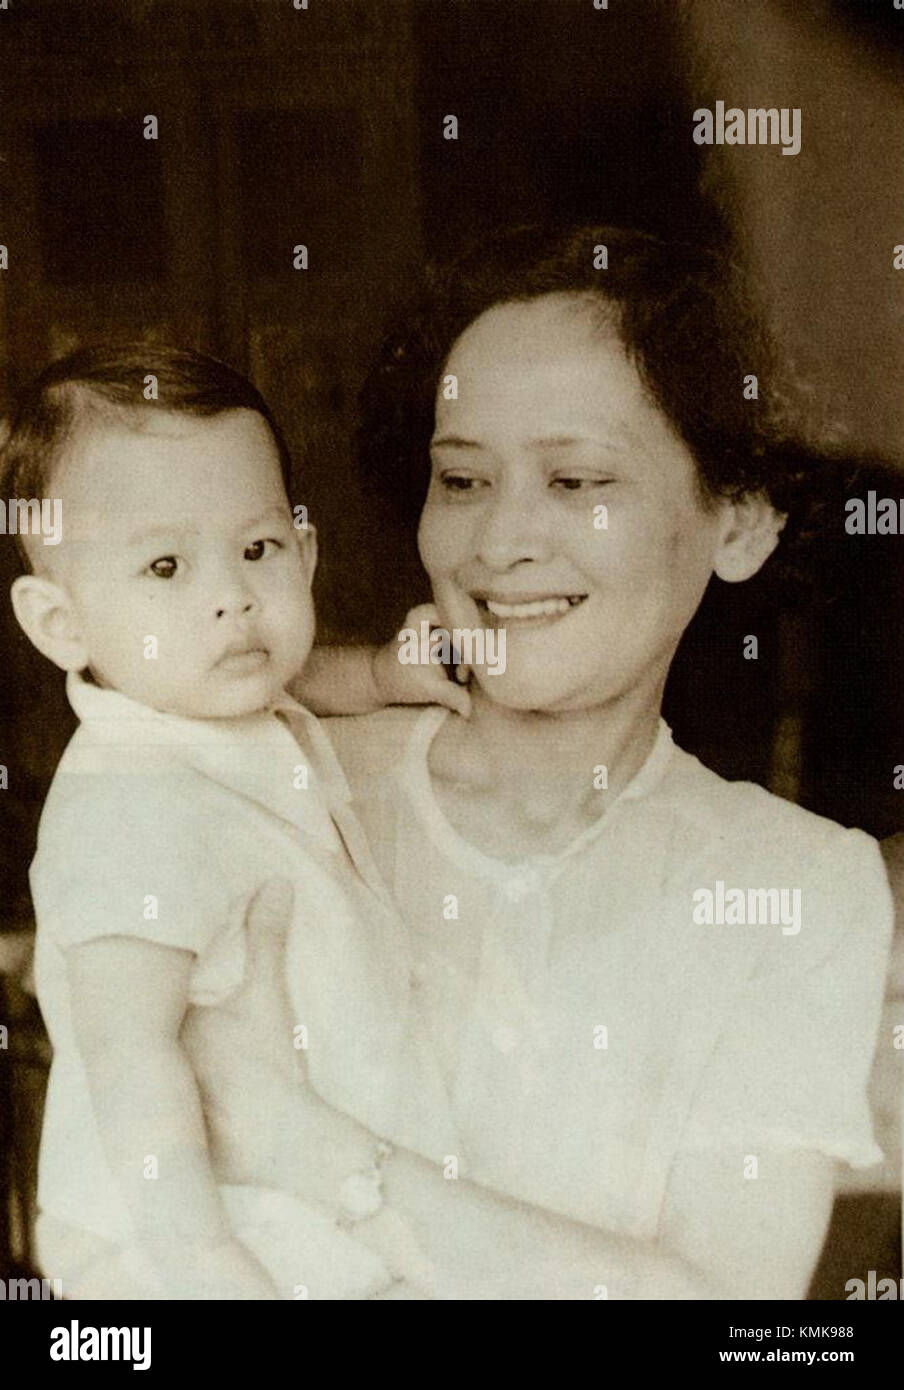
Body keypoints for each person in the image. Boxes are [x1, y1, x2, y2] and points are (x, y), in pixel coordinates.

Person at [281, 223, 895, 1298]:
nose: (499, 542)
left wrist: (313, 1152)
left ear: (739, 521)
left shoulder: (795, 887)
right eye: (462, 480)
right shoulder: (296, 787)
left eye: (574, 480)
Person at [1, 344, 450, 1300]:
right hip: (185, 1240)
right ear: (61, 624)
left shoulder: (201, 698)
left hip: (300, 1206)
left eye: (257, 550)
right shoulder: (128, 805)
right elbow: (133, 1057)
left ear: (305, 550)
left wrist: (378, 676)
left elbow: (286, 674)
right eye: (166, 565)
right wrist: (205, 1261)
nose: (232, 597)